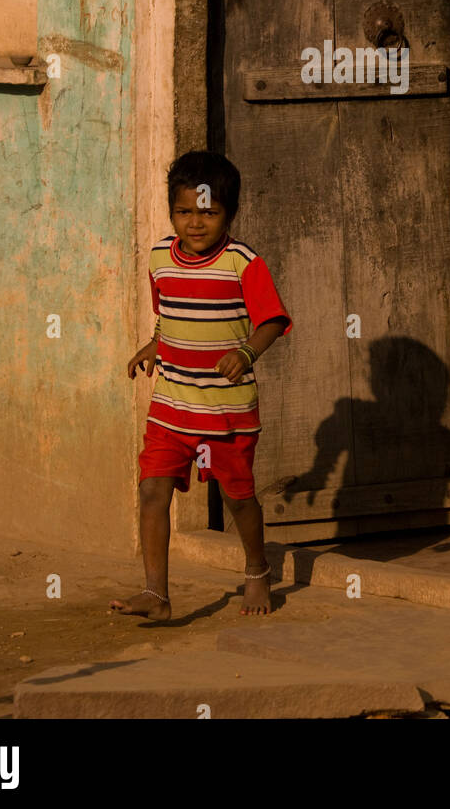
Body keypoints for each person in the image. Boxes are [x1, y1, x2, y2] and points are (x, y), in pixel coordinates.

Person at [110, 150, 291, 619]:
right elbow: (167, 315)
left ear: (229, 213)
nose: (195, 223)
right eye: (184, 212)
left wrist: (246, 352)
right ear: (171, 212)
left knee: (239, 499)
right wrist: (153, 346)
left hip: (227, 414)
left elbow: (272, 321)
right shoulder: (158, 259)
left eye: (208, 213)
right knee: (152, 490)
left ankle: (257, 570)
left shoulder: (243, 263)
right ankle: (156, 594)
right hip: (171, 405)